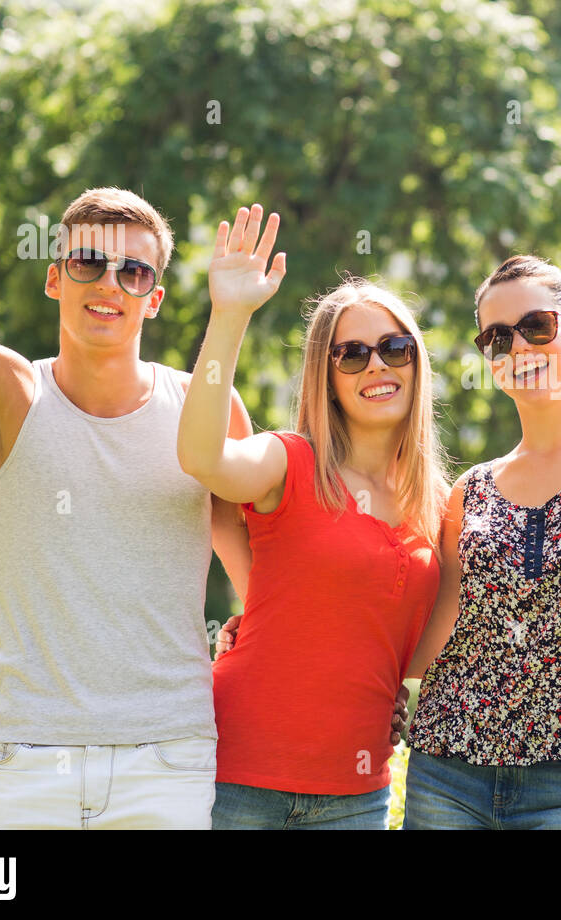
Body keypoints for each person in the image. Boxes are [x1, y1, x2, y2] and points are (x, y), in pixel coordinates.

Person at [0, 50, 255, 829]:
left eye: (134, 273)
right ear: (55, 278)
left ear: (155, 298)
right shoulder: (6, 394)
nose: (110, 283)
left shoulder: (205, 409)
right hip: (28, 764)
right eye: (88, 262)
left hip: (171, 764)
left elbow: (261, 584)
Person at [400, 184, 561, 829]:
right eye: (497, 338)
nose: (518, 349)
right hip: (447, 766)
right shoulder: (473, 489)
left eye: (536, 327)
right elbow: (436, 626)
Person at [177, 207, 449, 830]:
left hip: (357, 793)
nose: (376, 366)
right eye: (351, 355)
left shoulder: (440, 504)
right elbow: (200, 456)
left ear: (416, 362)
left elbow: (415, 652)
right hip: (238, 779)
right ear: (327, 379)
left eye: (393, 348)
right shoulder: (288, 462)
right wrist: (230, 314)